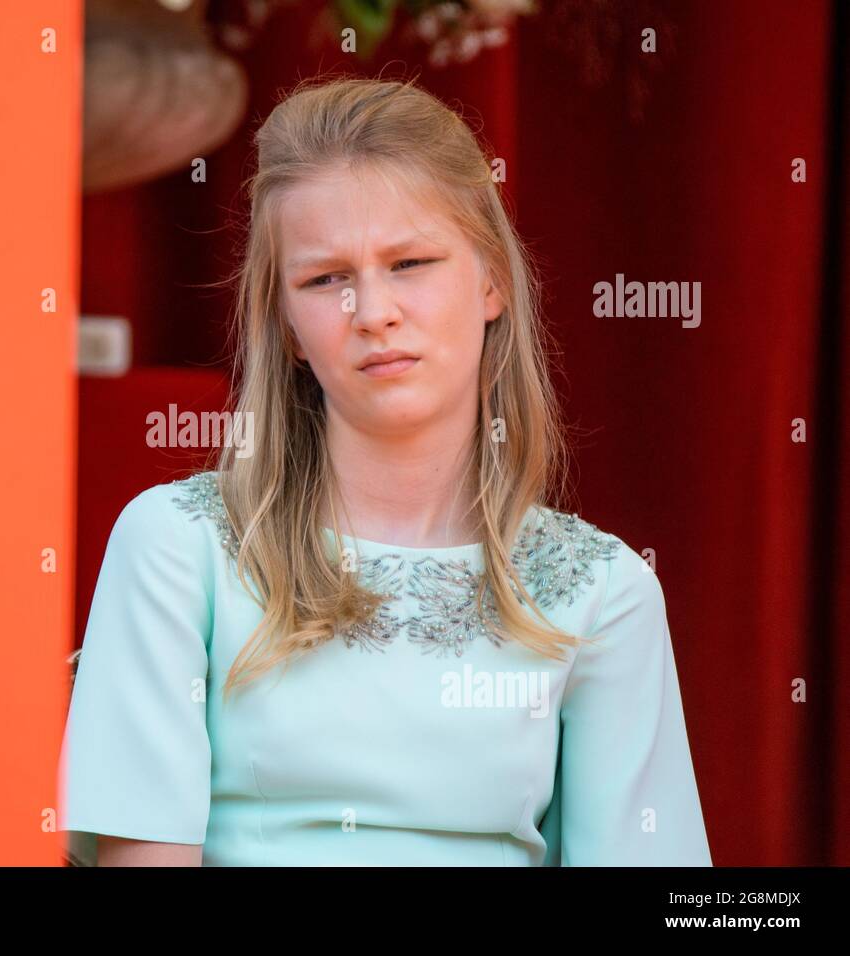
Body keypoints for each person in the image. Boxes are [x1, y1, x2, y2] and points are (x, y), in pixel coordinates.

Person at [57, 75, 712, 867]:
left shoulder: (604, 591)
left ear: (492, 281)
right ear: (290, 328)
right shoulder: (175, 547)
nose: (372, 312)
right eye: (324, 278)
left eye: (410, 262)